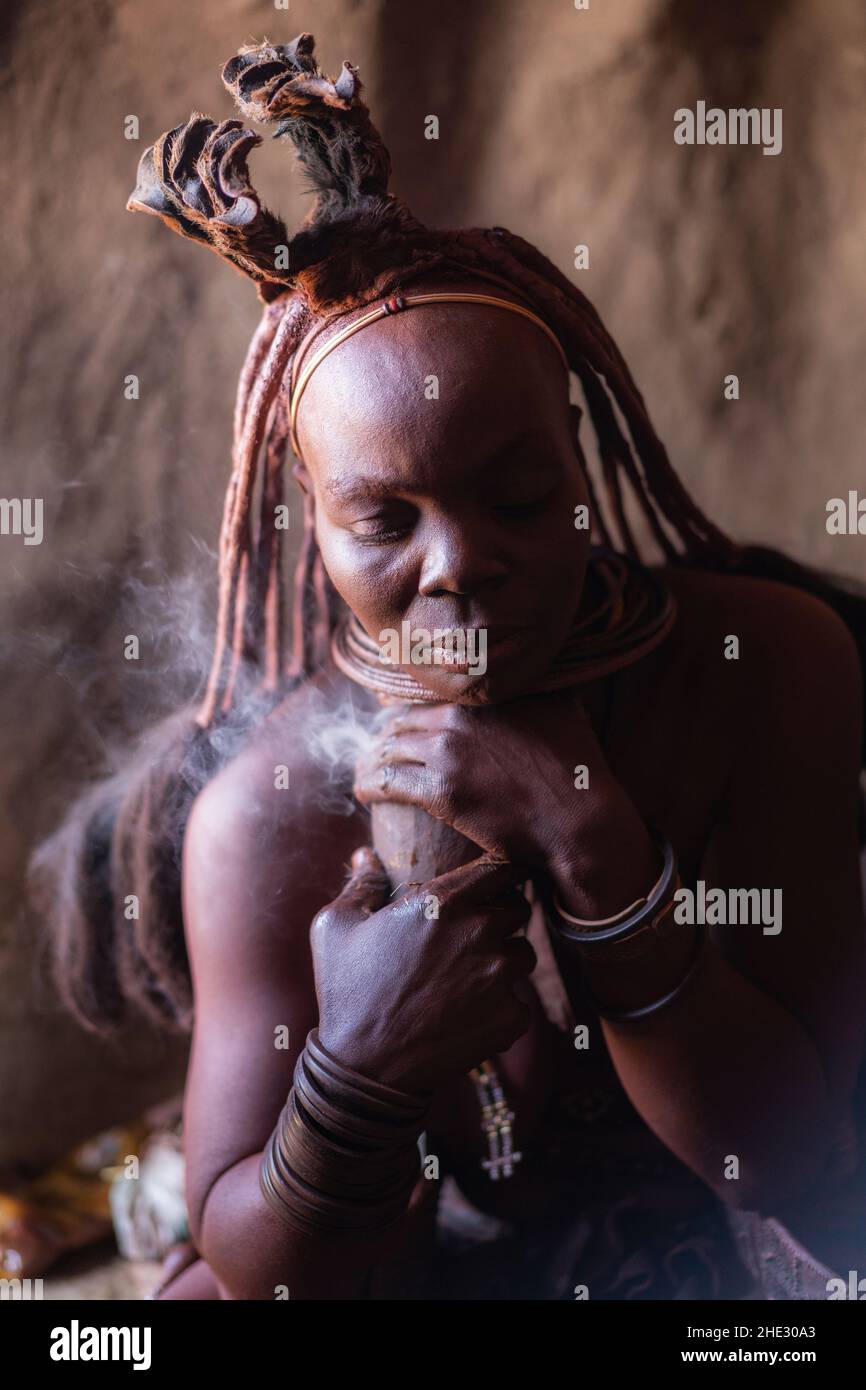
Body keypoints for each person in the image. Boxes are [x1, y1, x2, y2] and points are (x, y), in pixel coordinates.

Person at [33, 34, 866, 1300]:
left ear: (580, 455)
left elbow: (794, 1161)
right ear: (306, 519)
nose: (459, 567)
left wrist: (597, 854)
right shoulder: (265, 812)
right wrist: (357, 1073)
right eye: (383, 520)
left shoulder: (754, 671)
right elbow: (260, 1265)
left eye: (521, 494)